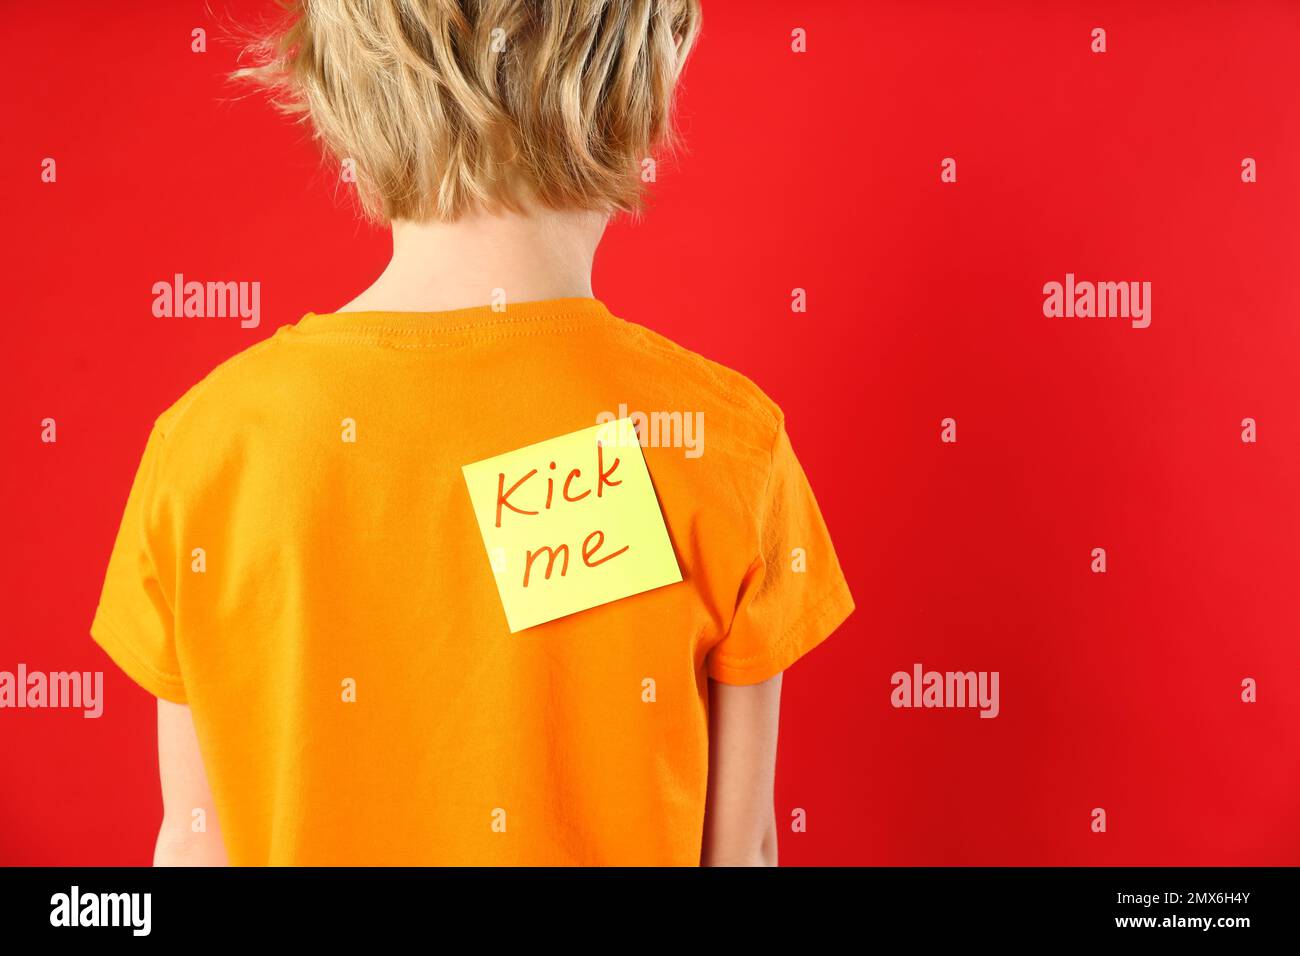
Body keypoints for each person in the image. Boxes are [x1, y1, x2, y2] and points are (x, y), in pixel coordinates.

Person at [90, 0, 854, 866]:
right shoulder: (721, 443)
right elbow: (742, 854)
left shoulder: (208, 446)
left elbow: (194, 847)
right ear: (639, 91)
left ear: (346, 108)